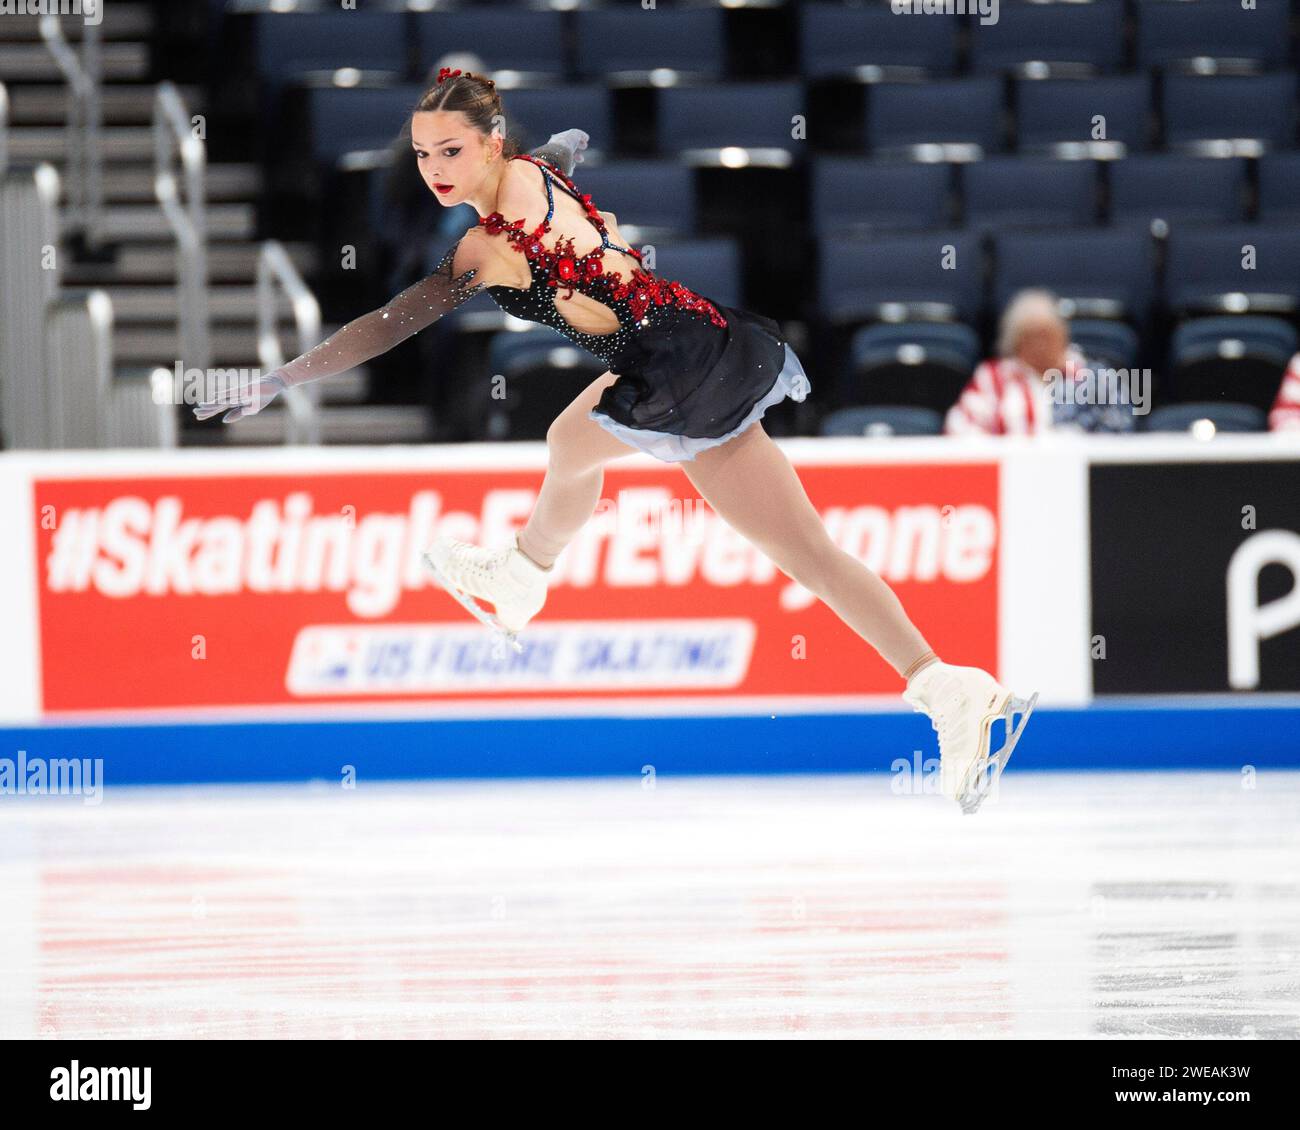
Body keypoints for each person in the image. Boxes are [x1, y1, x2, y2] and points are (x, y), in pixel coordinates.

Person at [194, 68, 1034, 812]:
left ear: (490, 143)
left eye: (450, 151)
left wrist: (277, 381)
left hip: (670, 368)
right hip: (692, 339)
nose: (434, 171)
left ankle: (524, 576)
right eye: (421, 156)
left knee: (575, 443)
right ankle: (945, 685)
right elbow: (554, 165)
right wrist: (563, 148)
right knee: (799, 549)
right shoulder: (531, 176)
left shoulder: (485, 248)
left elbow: (385, 326)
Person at [945, 289, 1136, 435]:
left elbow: (1121, 432)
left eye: (1047, 335)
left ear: (1063, 336)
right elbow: (959, 429)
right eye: (1031, 337)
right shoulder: (992, 378)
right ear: (1015, 342)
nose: (1040, 346)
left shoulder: (1097, 378)